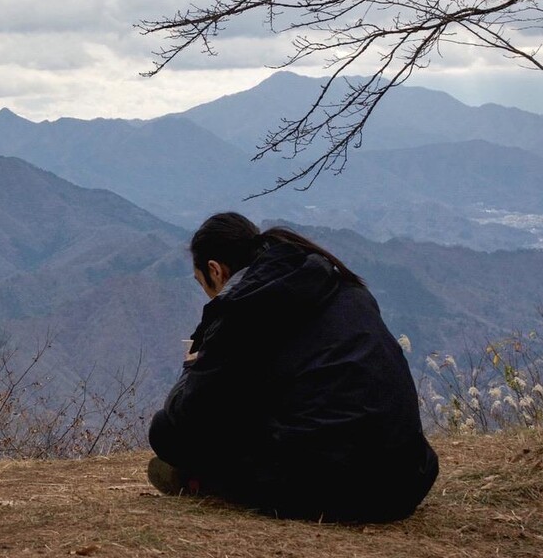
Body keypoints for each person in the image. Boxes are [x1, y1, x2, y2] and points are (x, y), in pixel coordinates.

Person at [147, 212, 439, 522]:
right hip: (407, 480)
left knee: (164, 431)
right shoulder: (338, 283)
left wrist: (193, 364)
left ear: (215, 271)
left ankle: (201, 481)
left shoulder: (243, 309)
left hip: (337, 487)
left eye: (202, 283)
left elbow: (184, 418)